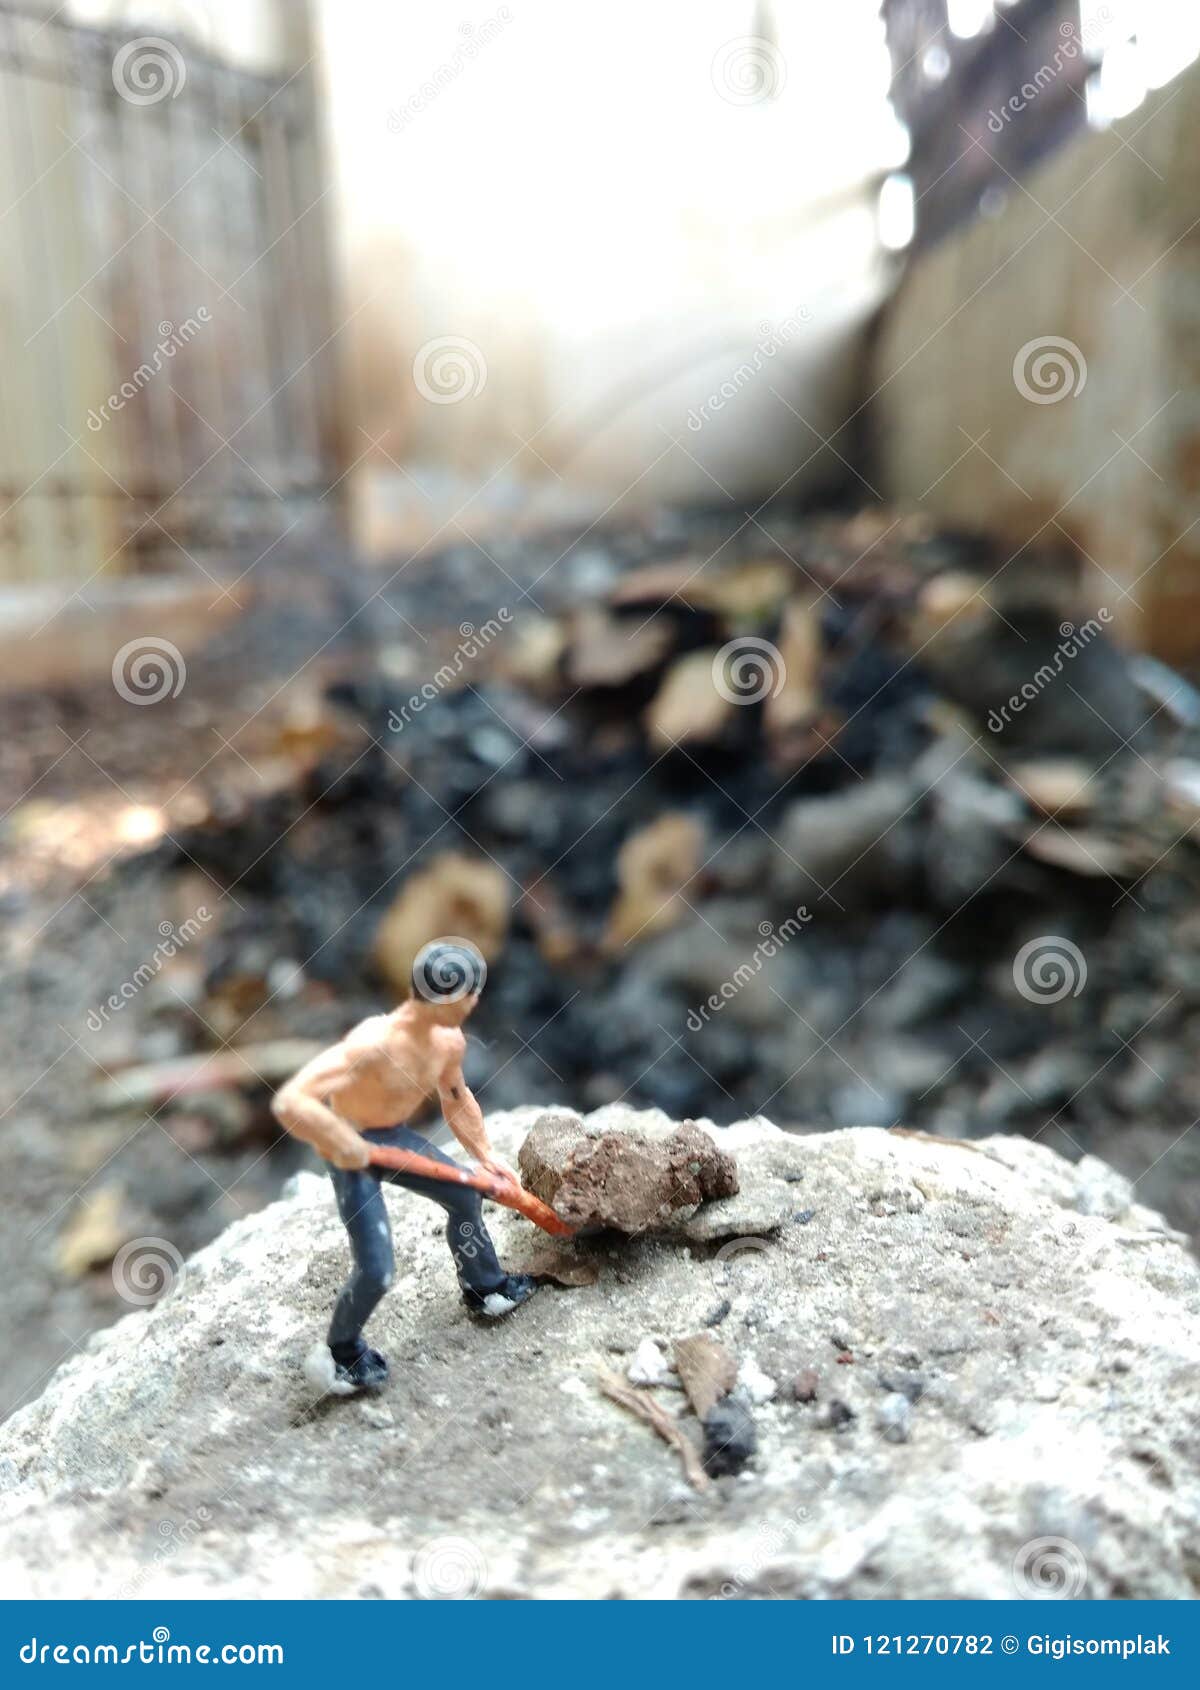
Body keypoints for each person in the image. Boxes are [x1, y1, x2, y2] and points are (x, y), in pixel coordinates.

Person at [271, 939, 536, 1392]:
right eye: (469, 996)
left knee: (466, 1198)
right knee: (377, 1268)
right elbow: (291, 1100)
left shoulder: (448, 1043)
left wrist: (485, 1155)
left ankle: (484, 1287)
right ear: (446, 996)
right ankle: (342, 1353)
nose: (473, 1005)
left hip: (394, 1139)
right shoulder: (373, 1044)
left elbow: (455, 1097)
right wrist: (340, 1140)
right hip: (352, 1150)